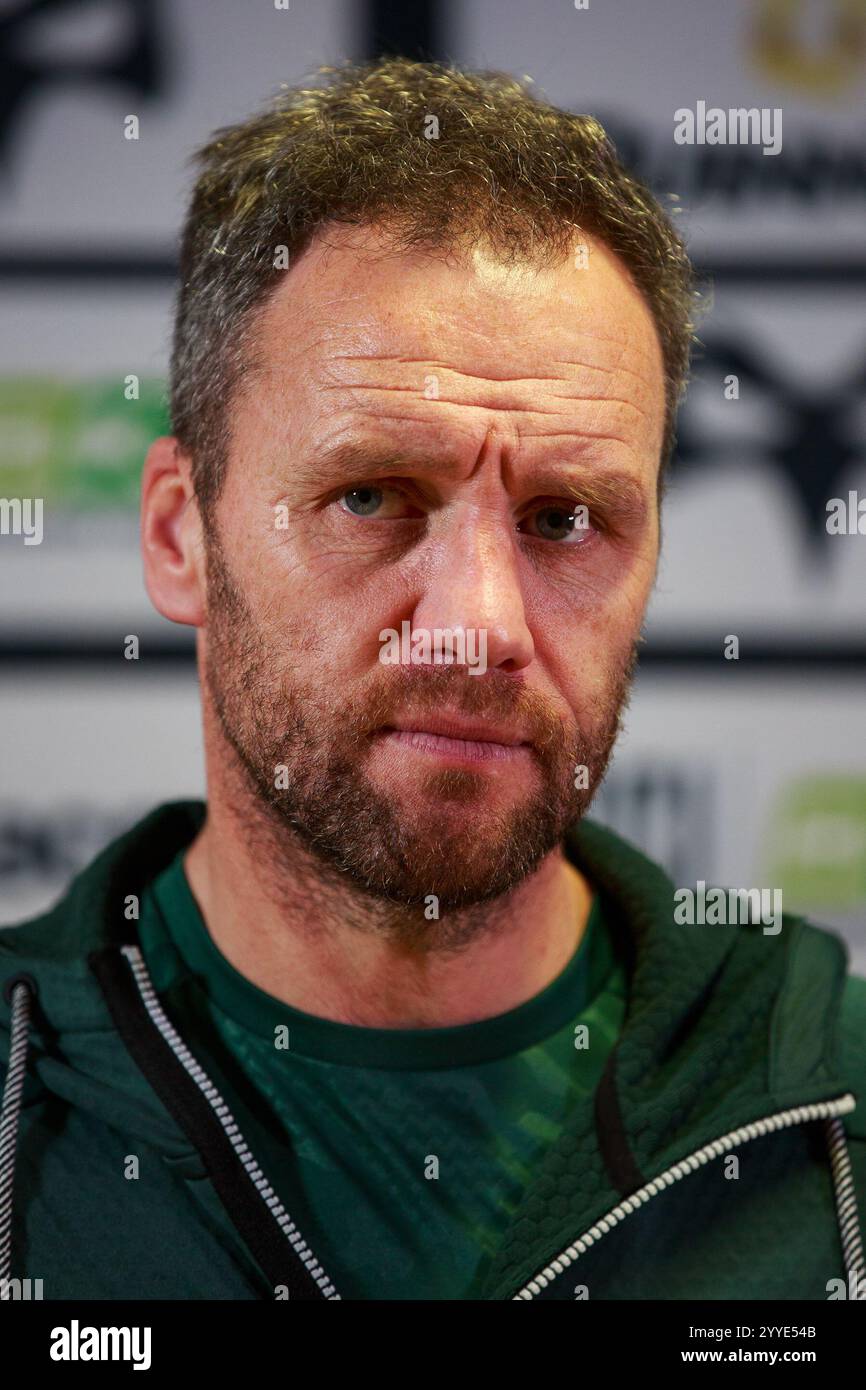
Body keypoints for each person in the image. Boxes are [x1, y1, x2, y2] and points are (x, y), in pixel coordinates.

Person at [1, 57, 863, 1302]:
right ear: (180, 534)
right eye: (371, 497)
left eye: (563, 519)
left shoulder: (831, 1122)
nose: (479, 625)